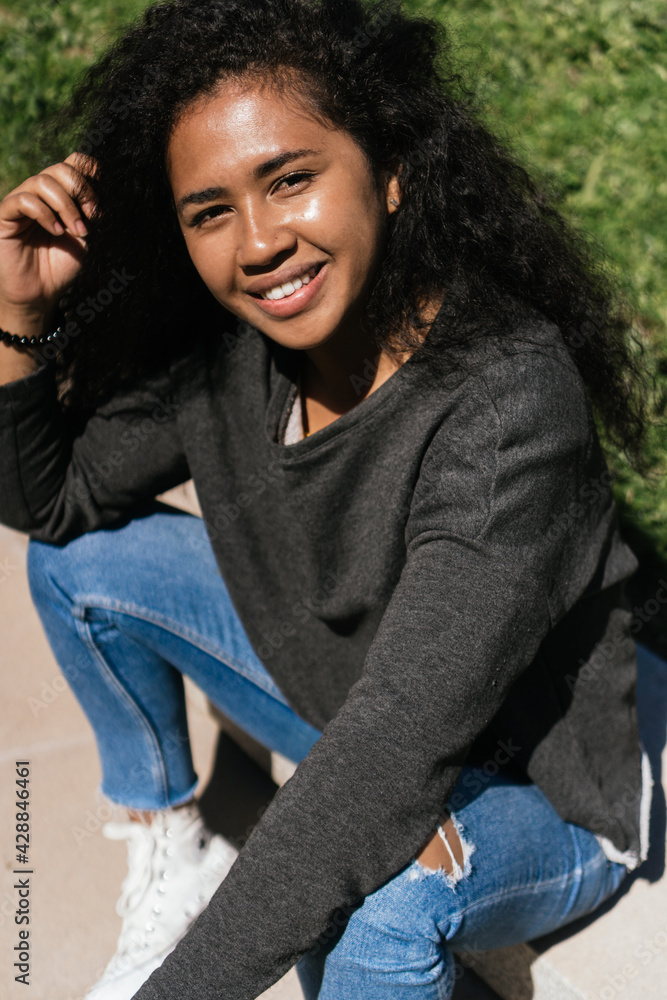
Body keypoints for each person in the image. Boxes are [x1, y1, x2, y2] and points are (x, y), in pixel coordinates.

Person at [0, 0, 654, 997]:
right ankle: (173, 847)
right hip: (353, 699)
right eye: (210, 211)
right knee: (83, 566)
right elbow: (47, 505)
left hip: (542, 795)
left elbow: (386, 761)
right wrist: (15, 315)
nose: (257, 243)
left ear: (390, 173)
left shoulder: (507, 403)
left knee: (378, 903)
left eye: (290, 179)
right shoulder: (235, 355)